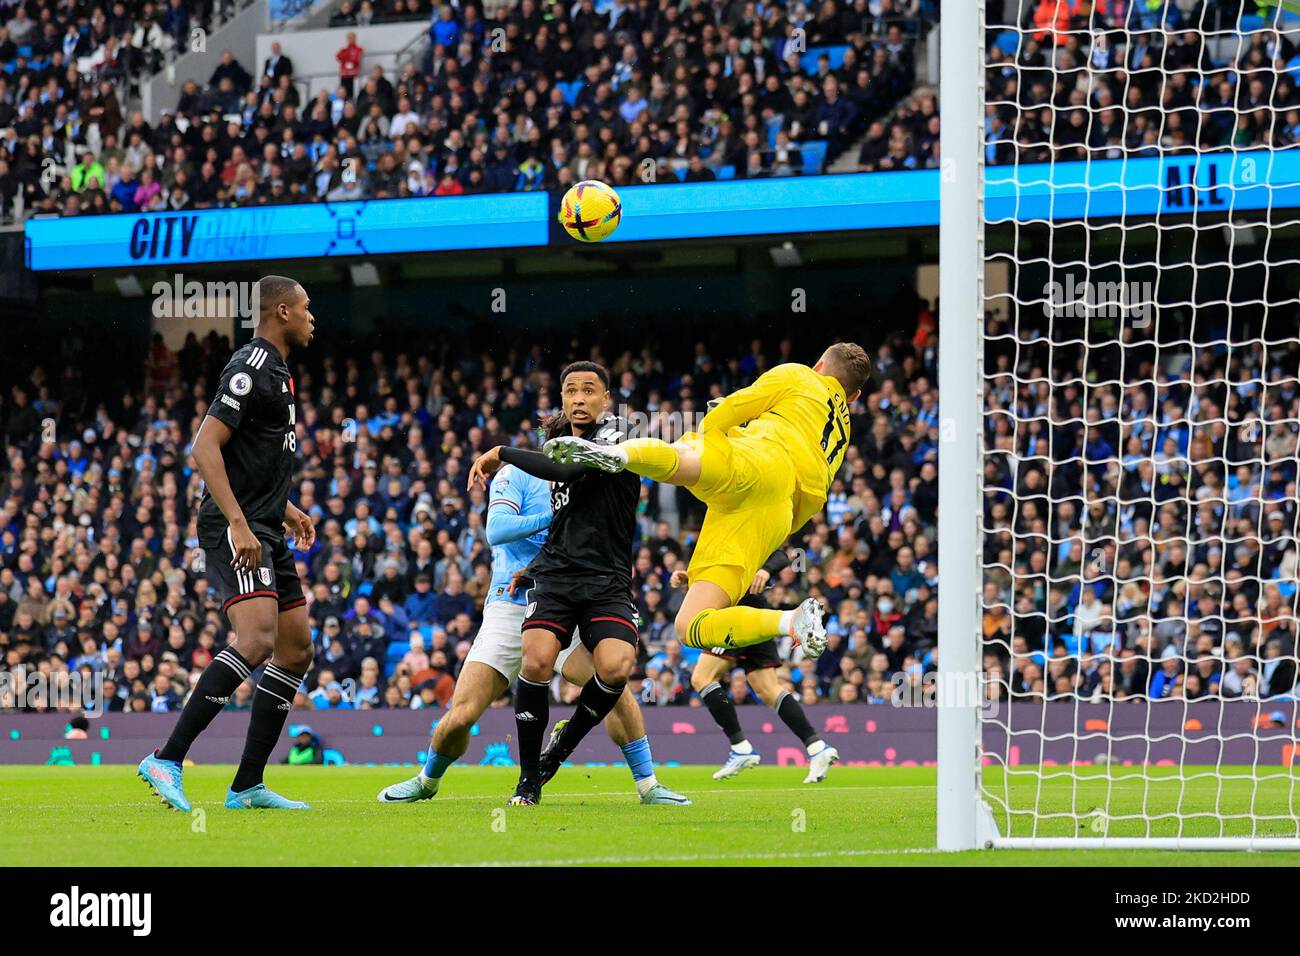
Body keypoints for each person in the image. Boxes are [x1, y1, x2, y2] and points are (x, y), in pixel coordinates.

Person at [377, 452, 688, 805]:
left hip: (564, 602)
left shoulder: (586, 475)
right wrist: (555, 517)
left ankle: (648, 784)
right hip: (511, 606)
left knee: (614, 686)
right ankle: (427, 780)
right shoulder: (517, 474)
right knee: (462, 715)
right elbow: (497, 530)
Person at [546, 342, 872, 660]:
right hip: (779, 512)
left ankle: (615, 453)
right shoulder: (843, 434)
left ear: (819, 366)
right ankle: (790, 621)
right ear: (854, 396)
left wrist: (709, 433)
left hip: (762, 461)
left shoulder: (802, 375)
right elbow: (815, 500)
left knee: (683, 456)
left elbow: (734, 407)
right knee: (690, 624)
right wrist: (760, 544)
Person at [137, 276, 317, 812]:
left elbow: (250, 460)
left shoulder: (280, 374)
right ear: (281, 312)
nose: (313, 318)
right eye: (306, 309)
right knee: (257, 638)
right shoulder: (251, 367)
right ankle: (167, 757)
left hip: (265, 524)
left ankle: (247, 785)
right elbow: (204, 446)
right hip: (232, 527)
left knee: (295, 648)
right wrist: (239, 523)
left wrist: (285, 508)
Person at [467, 362, 651, 806]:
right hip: (556, 577)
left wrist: (502, 451)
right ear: (563, 399)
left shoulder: (619, 434)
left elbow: (568, 472)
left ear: (606, 399)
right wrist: (532, 568)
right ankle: (528, 781)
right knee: (536, 662)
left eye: (590, 390)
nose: (580, 398)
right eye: (571, 390)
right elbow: (566, 518)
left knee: (616, 667)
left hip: (607, 579)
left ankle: (558, 752)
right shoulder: (556, 445)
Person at [680, 549, 839, 783]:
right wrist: (690, 579)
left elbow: (782, 554)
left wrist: (765, 570)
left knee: (701, 678)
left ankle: (740, 748)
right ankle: (817, 748)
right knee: (767, 689)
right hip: (757, 616)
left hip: (736, 619)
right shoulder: (724, 539)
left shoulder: (739, 530)